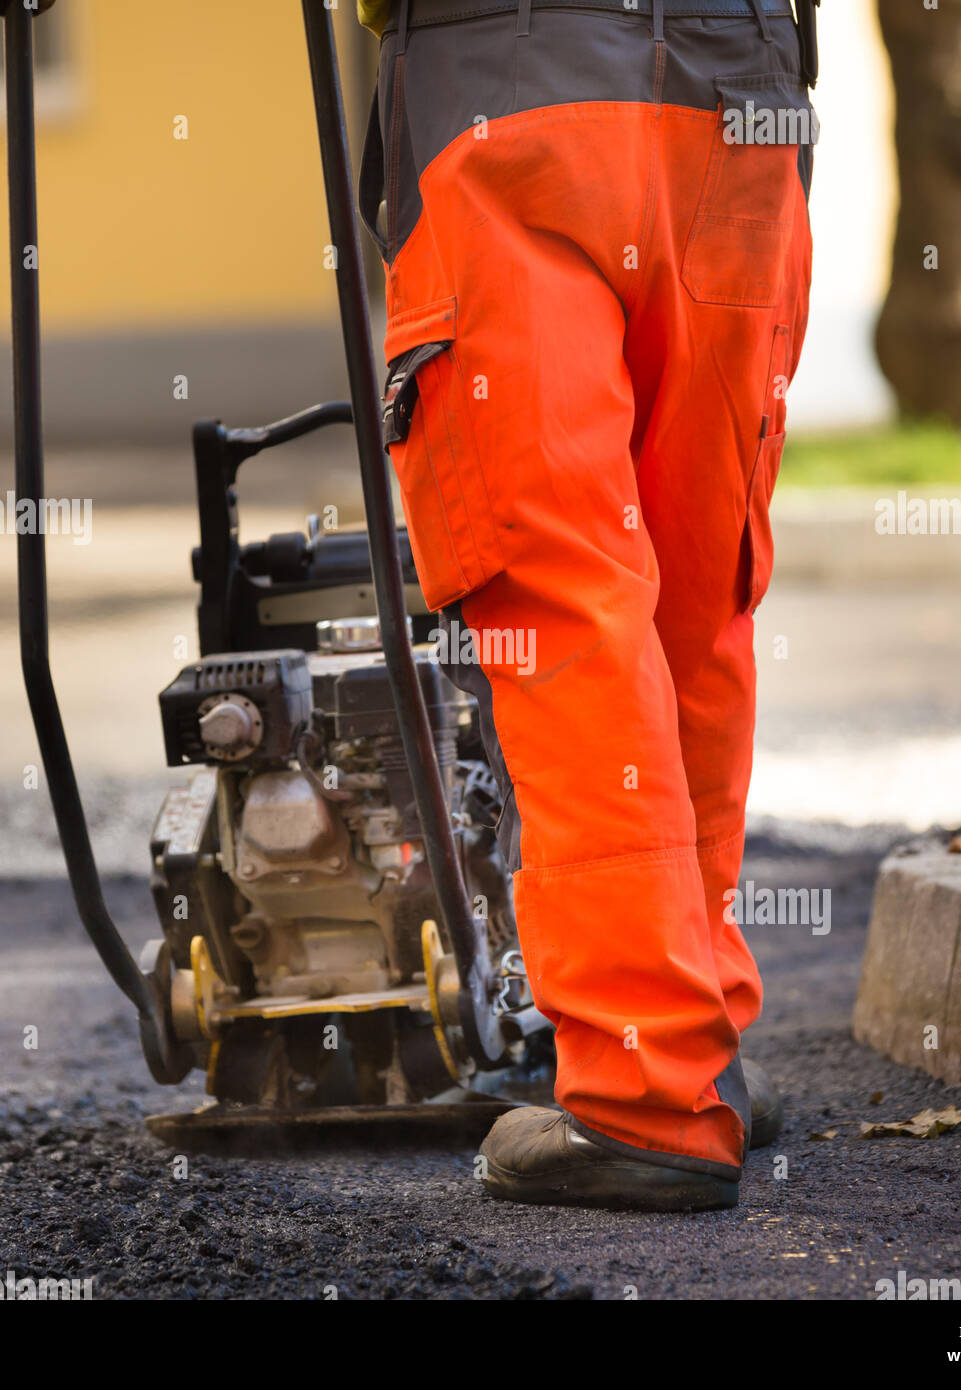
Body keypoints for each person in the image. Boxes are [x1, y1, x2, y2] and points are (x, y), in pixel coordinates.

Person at [360, 0, 818, 1210]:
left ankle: (644, 1088)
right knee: (691, 598)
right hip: (742, 94)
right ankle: (695, 1035)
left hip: (506, 95)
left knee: (567, 597)